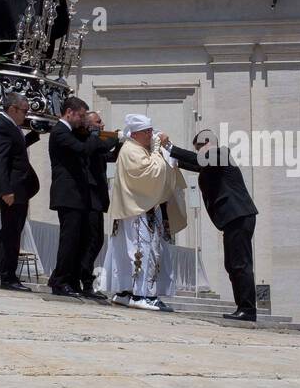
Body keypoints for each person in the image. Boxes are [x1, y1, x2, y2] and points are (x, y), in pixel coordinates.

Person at [165, 129, 259, 322]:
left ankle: (247, 310)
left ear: (206, 143)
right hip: (234, 218)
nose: (198, 153)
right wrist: (168, 156)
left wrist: (170, 147)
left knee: (240, 264)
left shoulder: (220, 153)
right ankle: (244, 307)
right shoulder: (213, 162)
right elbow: (194, 164)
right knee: (233, 264)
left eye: (198, 148)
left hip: (238, 216)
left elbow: (200, 161)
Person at [103, 114, 188, 311]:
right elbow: (152, 172)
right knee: (142, 251)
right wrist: (159, 149)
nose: (151, 134)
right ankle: (141, 294)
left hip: (140, 209)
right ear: (136, 133)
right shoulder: (131, 150)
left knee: (137, 250)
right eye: (147, 132)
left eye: (151, 130)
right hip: (137, 211)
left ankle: (127, 292)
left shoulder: (140, 148)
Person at [0, 93, 41, 292]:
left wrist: (31, 138)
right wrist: (5, 190)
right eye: (24, 111)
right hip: (11, 189)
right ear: (12, 109)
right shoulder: (1, 127)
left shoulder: (10, 126)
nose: (26, 115)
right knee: (11, 234)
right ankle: (8, 277)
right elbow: (0, 161)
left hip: (19, 188)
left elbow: (14, 151)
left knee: (11, 231)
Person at [47, 97, 111, 298]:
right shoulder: (59, 132)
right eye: (81, 116)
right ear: (70, 112)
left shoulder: (69, 132)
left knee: (78, 241)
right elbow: (83, 150)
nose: (82, 120)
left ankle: (72, 280)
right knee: (69, 240)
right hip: (68, 195)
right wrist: (95, 134)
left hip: (76, 196)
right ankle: (60, 281)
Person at [82, 111, 120, 295]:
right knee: (92, 240)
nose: (102, 125)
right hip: (89, 198)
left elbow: (110, 157)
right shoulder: (89, 141)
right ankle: (85, 277)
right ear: (89, 125)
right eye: (98, 122)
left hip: (97, 199)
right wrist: (117, 137)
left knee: (95, 240)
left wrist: (120, 144)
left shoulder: (97, 144)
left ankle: (84, 276)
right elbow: (104, 146)